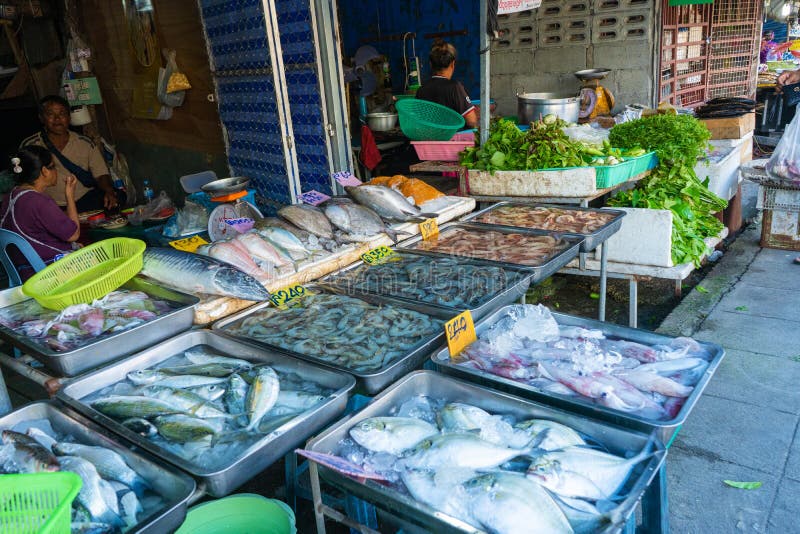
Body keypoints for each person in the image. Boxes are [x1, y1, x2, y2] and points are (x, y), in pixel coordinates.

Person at [20, 95, 121, 212]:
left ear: (69, 117)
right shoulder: (30, 145)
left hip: (83, 200)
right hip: (49, 204)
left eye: (62, 114)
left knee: (119, 196)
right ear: (41, 118)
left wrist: (109, 191)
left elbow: (101, 174)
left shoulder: (85, 143)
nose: (57, 119)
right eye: (50, 114)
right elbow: (24, 183)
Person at [1, 146, 80, 271]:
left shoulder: (9, 197)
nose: (56, 171)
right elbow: (73, 234)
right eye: (53, 166)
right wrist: (70, 196)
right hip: (48, 272)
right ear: (44, 171)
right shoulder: (39, 201)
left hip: (24, 270)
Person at [415, 40, 479, 129]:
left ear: (430, 64)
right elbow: (471, 121)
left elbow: (419, 121)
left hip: (429, 139)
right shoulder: (455, 87)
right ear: (453, 64)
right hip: (452, 140)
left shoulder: (421, 90)